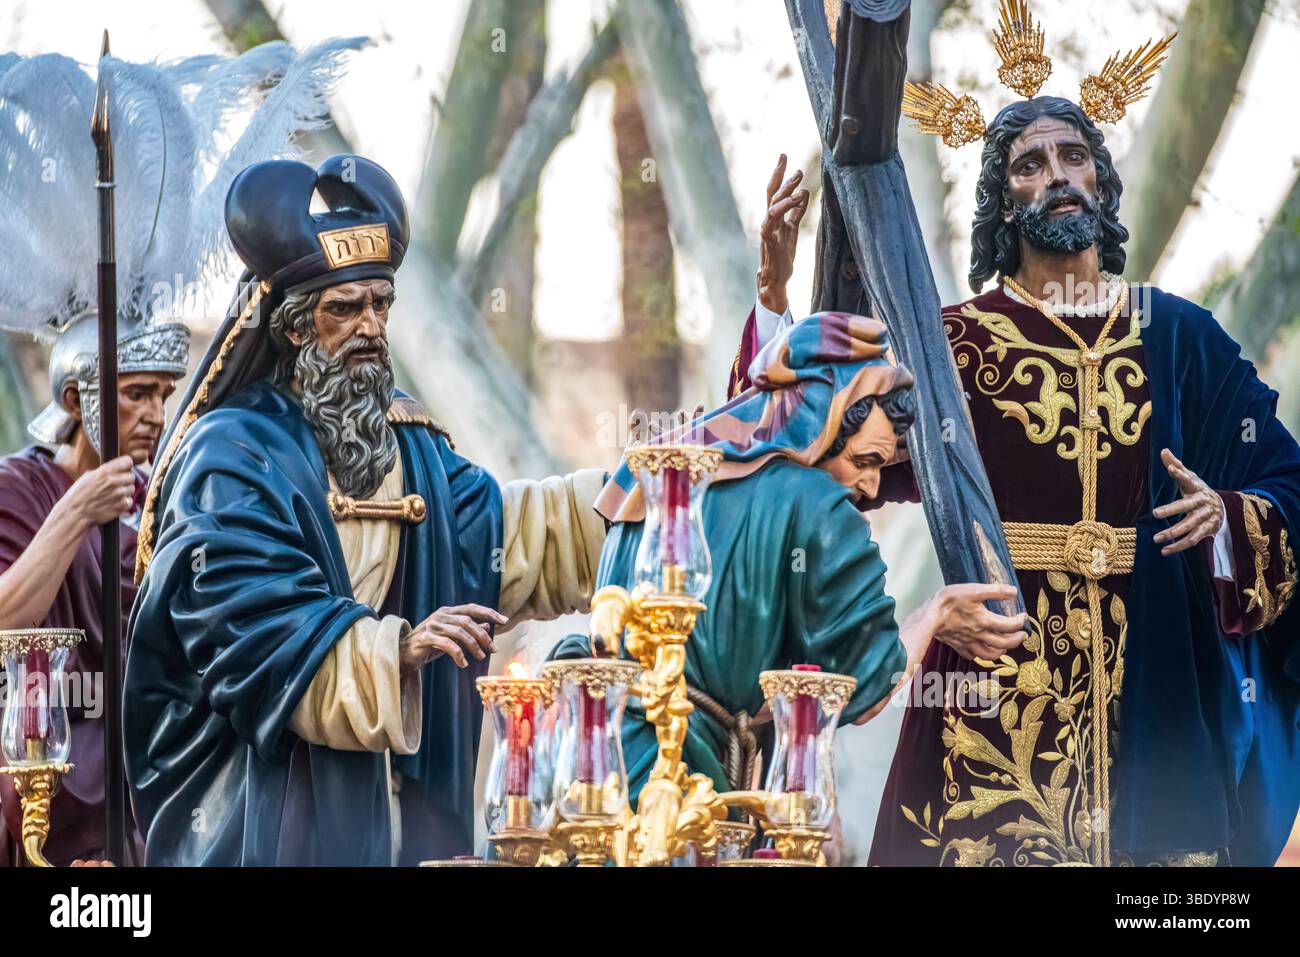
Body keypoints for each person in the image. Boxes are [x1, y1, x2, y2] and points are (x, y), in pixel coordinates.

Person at [732, 10, 1300, 866]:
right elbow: (806, 452)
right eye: (1031, 165)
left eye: (1075, 158)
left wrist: (1227, 520)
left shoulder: (1181, 339)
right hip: (990, 707)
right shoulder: (946, 343)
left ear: (1102, 190)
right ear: (1003, 204)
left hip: (1155, 712)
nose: (1059, 175)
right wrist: (775, 301)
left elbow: (1287, 483)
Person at [125, 154, 609, 866]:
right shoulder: (229, 457)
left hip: (395, 829)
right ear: (294, 329)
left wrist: (653, 490)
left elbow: (512, 533)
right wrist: (398, 647)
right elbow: (250, 638)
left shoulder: (407, 449)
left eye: (380, 304)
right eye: (344, 310)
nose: (371, 328)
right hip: (264, 822)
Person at [0, 43, 351, 865]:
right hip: (36, 776)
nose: (158, 412)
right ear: (78, 398)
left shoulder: (173, 496)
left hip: (156, 785)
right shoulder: (18, 488)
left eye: (164, 393)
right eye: (135, 394)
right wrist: (78, 509)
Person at [552, 312, 1026, 805]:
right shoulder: (814, 503)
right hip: (675, 786)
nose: (871, 485)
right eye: (865, 461)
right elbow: (865, 687)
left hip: (583, 768)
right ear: (818, 426)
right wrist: (936, 614)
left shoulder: (656, 475)